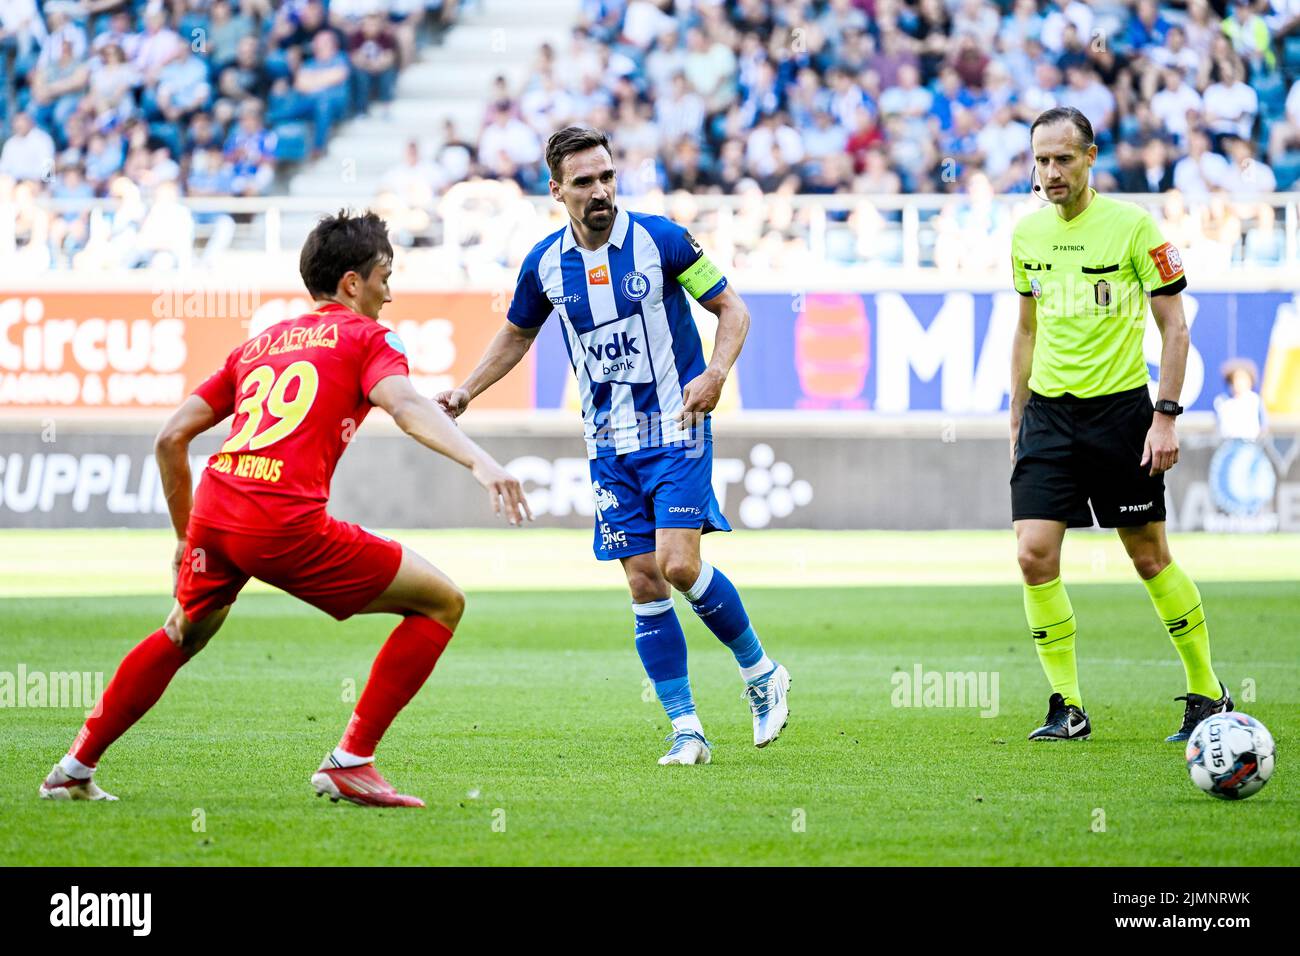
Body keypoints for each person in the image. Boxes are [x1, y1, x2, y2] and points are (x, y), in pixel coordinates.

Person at [39, 211, 530, 807]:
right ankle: (352, 759)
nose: (390, 292)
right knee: (442, 602)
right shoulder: (368, 337)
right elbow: (404, 404)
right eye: (384, 276)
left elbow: (170, 437)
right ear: (352, 283)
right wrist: (482, 462)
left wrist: (183, 538)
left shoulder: (261, 342)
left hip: (216, 513)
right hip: (281, 521)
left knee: (182, 632)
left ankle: (72, 768)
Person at [437, 126, 790, 766]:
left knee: (679, 565)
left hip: (676, 427)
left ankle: (761, 672)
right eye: (584, 182)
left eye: (607, 177)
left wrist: (714, 375)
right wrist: (466, 391)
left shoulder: (663, 239)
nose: (600, 191)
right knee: (644, 583)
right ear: (556, 190)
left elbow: (733, 310)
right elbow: (516, 336)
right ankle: (687, 730)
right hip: (607, 443)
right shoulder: (544, 264)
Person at [1010, 106, 1231, 744]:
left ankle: (1207, 692)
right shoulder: (1027, 237)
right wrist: (1017, 414)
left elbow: (1175, 328)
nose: (1050, 172)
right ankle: (1067, 705)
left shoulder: (1135, 228)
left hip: (1122, 415)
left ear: (1090, 157)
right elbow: (1025, 330)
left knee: (1148, 554)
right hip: (1050, 416)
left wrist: (1165, 418)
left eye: (1062, 159)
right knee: (1032, 553)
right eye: (1041, 160)